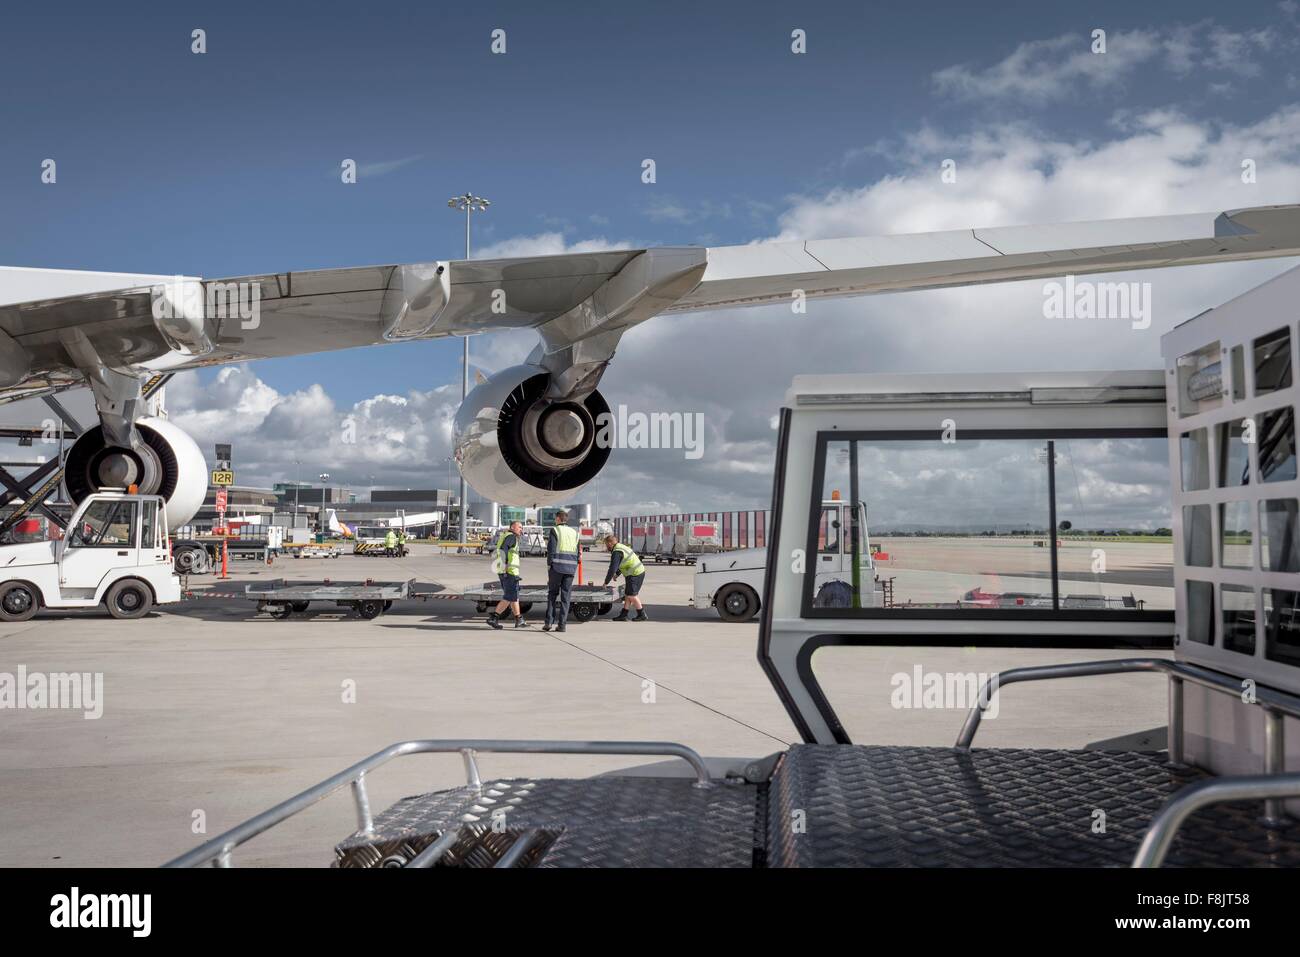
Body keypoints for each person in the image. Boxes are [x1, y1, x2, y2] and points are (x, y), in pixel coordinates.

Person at [487, 521, 530, 629]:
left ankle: (519, 619)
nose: (521, 529)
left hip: (505, 571)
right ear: (512, 527)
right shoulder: (511, 537)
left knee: (513, 597)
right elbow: (503, 550)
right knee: (509, 597)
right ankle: (494, 618)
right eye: (519, 527)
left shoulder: (505, 535)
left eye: (522, 527)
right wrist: (505, 564)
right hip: (509, 572)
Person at [543, 509, 579, 632]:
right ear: (566, 519)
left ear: (558, 519)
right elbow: (578, 552)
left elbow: (551, 550)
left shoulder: (555, 530)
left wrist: (549, 565)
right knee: (566, 596)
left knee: (552, 594)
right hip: (571, 568)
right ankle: (562, 625)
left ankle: (548, 623)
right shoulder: (575, 532)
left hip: (557, 567)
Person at [602, 534, 647, 621]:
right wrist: (617, 574)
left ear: (610, 543)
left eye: (606, 544)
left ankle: (642, 614)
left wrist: (606, 582)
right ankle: (624, 614)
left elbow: (612, 568)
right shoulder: (620, 547)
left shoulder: (617, 552)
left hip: (635, 573)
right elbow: (624, 562)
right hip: (633, 573)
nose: (606, 546)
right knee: (627, 595)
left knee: (632, 595)